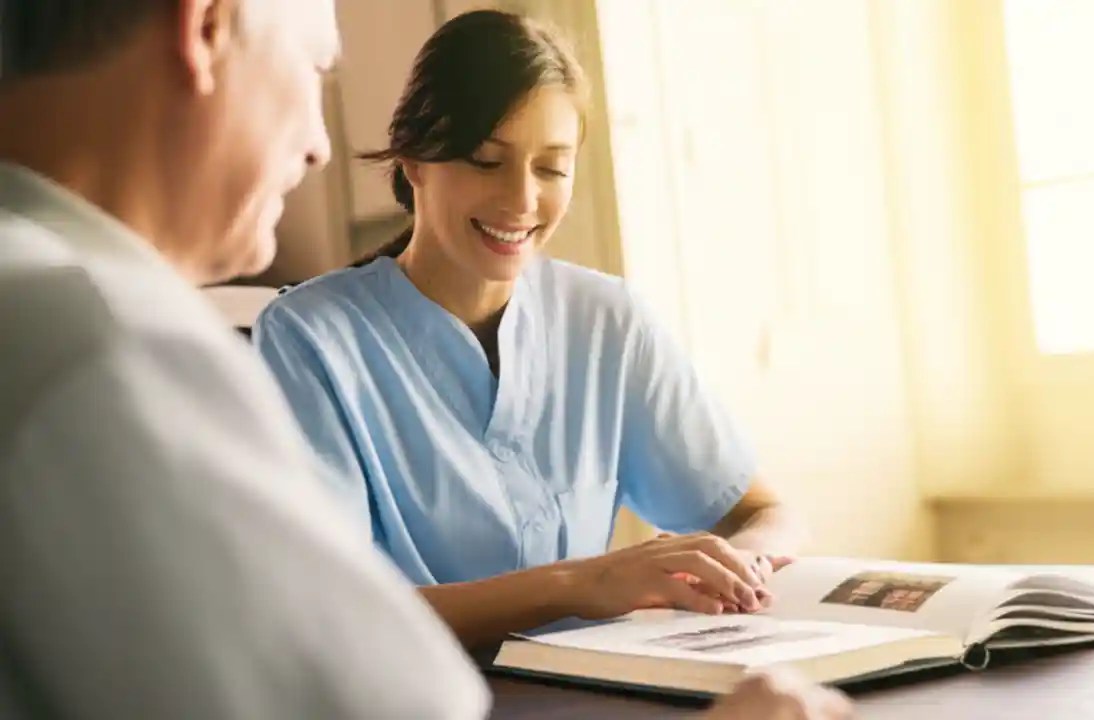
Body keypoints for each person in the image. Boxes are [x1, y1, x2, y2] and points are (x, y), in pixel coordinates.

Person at [0, 1, 855, 717]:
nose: (318, 146)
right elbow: (343, 681)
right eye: (312, 68)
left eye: (552, 167)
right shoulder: (110, 348)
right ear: (208, 26)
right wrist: (585, 584)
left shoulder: (55, 313)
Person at [253, 9, 807, 649]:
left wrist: (741, 568)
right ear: (414, 160)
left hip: (605, 686)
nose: (521, 199)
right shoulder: (308, 340)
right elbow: (332, 610)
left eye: (551, 168)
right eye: (486, 161)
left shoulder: (608, 322)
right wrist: (583, 584)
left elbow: (763, 514)